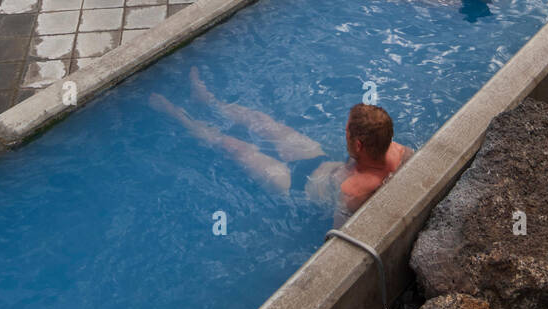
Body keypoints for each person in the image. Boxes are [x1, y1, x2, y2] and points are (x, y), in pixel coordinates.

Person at [150, 69, 412, 215]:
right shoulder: (398, 150)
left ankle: (175, 115)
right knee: (263, 122)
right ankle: (209, 101)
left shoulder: (352, 193)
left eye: (346, 132)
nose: (343, 132)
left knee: (232, 146)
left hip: (293, 184)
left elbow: (338, 242)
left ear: (358, 146)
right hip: (318, 161)